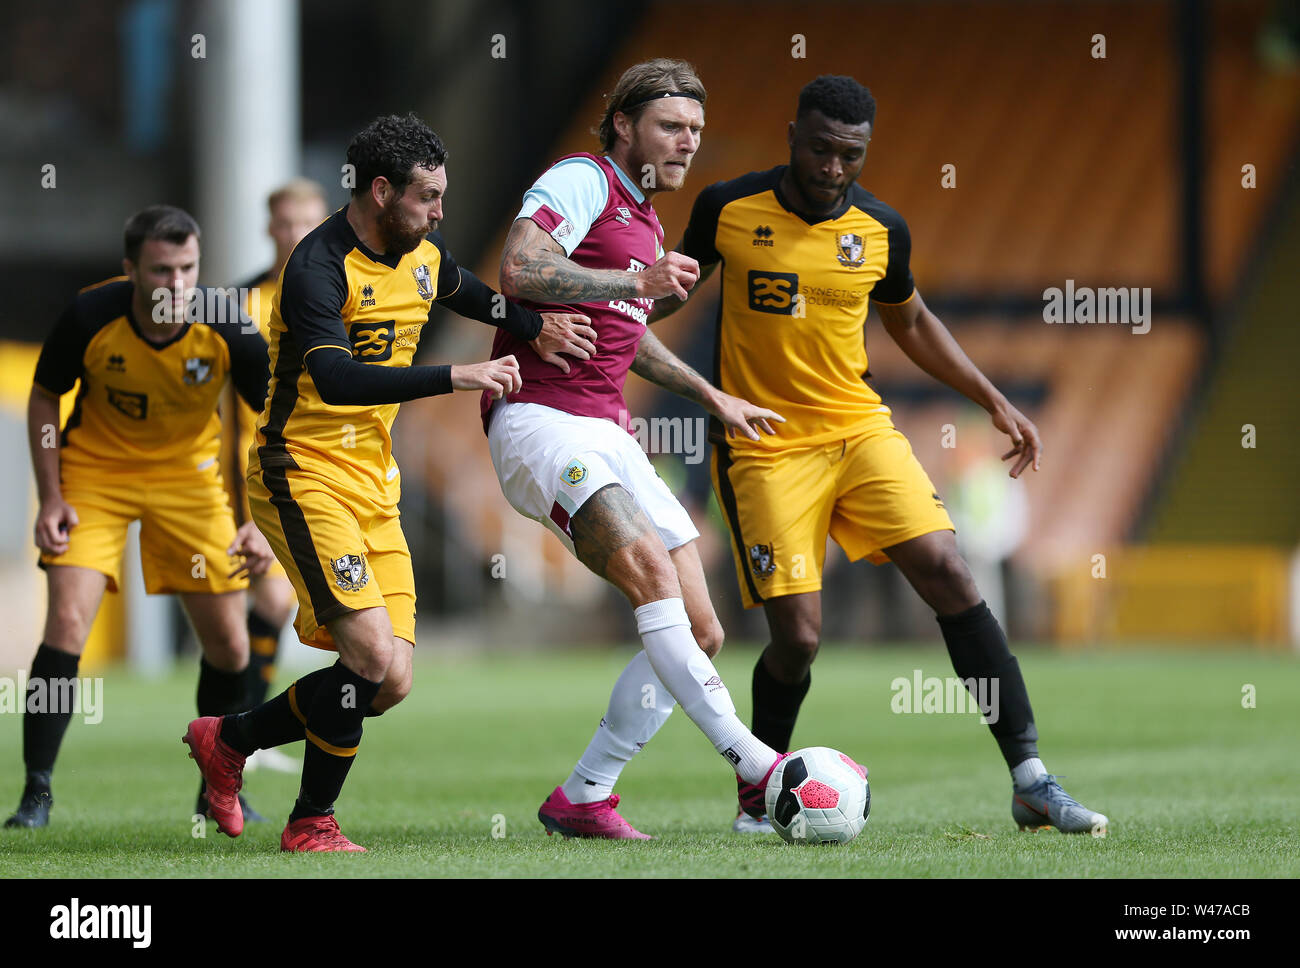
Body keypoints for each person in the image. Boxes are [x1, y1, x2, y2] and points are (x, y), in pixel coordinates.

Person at [650, 75, 1108, 835]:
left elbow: (915, 322)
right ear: (793, 135)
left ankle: (1031, 778)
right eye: (822, 148)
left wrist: (991, 398)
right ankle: (759, 795)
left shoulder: (881, 230)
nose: (833, 167)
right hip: (764, 446)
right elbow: (667, 292)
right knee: (797, 639)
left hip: (860, 431)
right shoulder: (727, 208)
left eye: (850, 154)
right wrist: (608, 311)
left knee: (951, 572)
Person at [182, 113, 592, 852]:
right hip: (298, 473)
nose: (440, 213)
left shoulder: (422, 255)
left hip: (373, 482)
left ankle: (231, 738)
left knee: (390, 678)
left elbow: (469, 290)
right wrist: (455, 375)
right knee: (368, 656)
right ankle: (311, 823)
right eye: (428, 198)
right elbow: (333, 379)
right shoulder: (315, 269)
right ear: (380, 191)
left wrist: (535, 328)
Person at [488, 58, 797, 840]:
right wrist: (636, 274)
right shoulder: (583, 178)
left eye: (694, 129)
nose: (686, 141)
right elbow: (518, 265)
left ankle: (585, 795)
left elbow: (632, 333)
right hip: (540, 416)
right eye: (670, 125)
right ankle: (757, 764)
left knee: (701, 629)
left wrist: (713, 396)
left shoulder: (647, 220)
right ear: (624, 125)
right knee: (651, 579)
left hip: (610, 425)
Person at [6, 205, 276, 829]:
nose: (177, 285)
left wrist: (260, 518)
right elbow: (44, 399)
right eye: (160, 271)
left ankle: (214, 792)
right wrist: (50, 497)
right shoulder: (90, 315)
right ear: (131, 270)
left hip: (189, 479)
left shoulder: (228, 324)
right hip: (96, 474)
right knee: (68, 625)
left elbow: (274, 422)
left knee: (232, 645)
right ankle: (35, 795)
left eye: (188, 269)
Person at [222, 178, 329, 775]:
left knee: (271, 600)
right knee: (260, 600)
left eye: (306, 222)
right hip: (239, 471)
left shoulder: (335, 293)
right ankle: (241, 730)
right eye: (285, 223)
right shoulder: (236, 303)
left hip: (307, 466)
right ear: (269, 228)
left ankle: (244, 728)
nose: (295, 234)